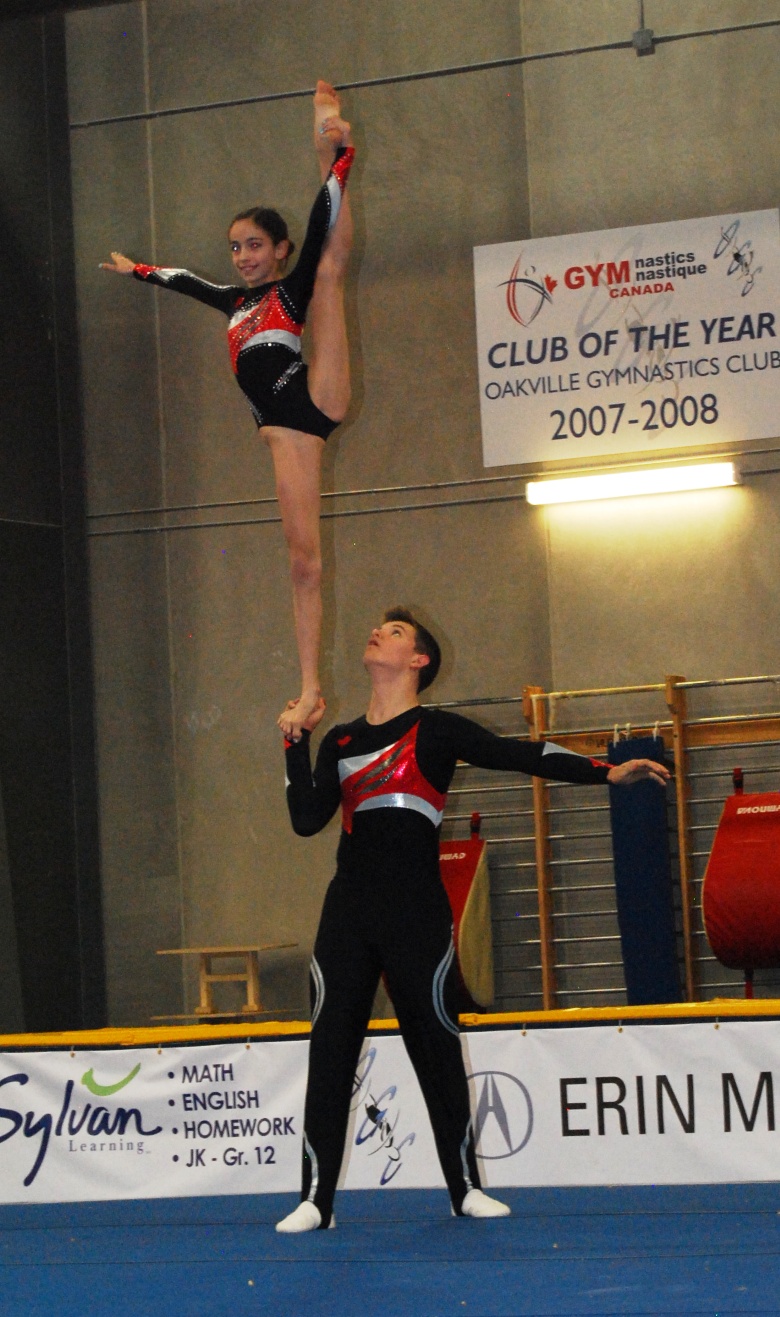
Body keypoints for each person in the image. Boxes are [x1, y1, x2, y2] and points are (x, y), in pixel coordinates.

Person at [277, 608, 670, 1231]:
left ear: (419, 661)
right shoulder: (343, 741)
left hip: (417, 913)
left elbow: (522, 754)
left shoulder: (437, 731)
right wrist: (296, 743)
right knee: (330, 1049)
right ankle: (314, 1201)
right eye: (381, 629)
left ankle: (463, 1189)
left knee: (436, 1046)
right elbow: (306, 818)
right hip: (348, 912)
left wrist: (605, 770)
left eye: (397, 632)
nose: (379, 633)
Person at [101, 82, 354, 742]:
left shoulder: (287, 290)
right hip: (283, 429)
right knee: (301, 562)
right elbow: (185, 279)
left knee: (329, 271)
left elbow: (320, 227)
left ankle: (331, 138)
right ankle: (308, 686)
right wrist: (139, 271)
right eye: (236, 247)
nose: (242, 256)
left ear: (277, 249)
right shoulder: (235, 304)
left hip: (307, 406)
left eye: (253, 245)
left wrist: (340, 158)